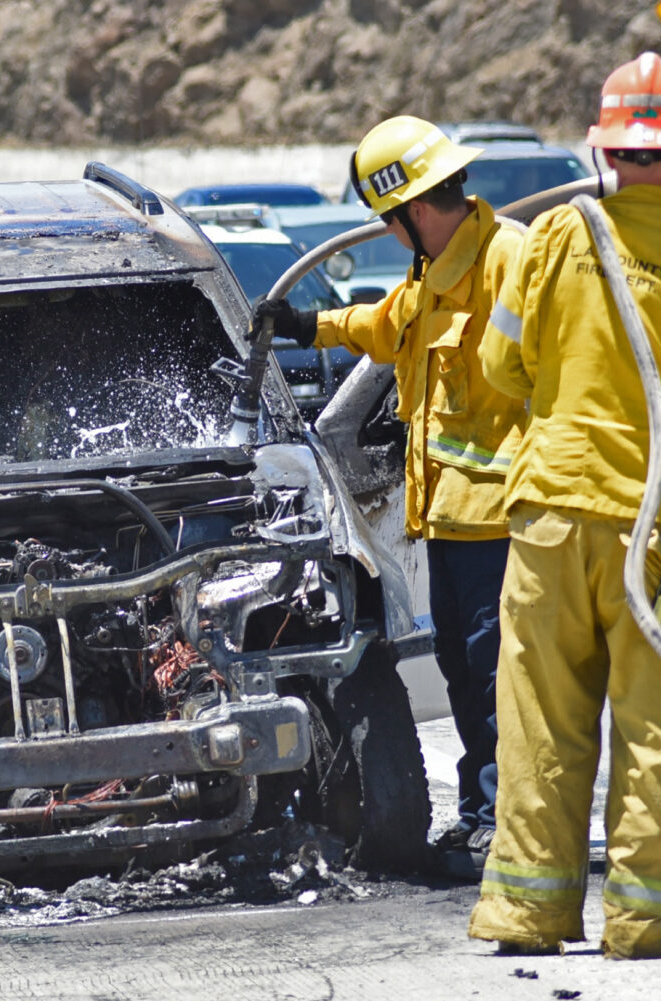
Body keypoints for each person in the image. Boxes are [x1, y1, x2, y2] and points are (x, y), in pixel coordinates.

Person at [468, 52, 661, 958]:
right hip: (659, 537)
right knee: (658, 728)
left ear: (604, 150)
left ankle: (529, 912)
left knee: (539, 726)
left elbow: (498, 368)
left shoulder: (553, 240)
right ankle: (645, 922)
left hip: (550, 521)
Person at [256, 115, 527, 878]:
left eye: (390, 219)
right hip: (449, 518)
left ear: (409, 210)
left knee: (499, 674)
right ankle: (485, 818)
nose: (390, 232)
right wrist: (309, 325)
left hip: (505, 518)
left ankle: (507, 825)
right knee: (467, 671)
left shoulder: (510, 260)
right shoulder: (434, 272)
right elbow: (389, 329)